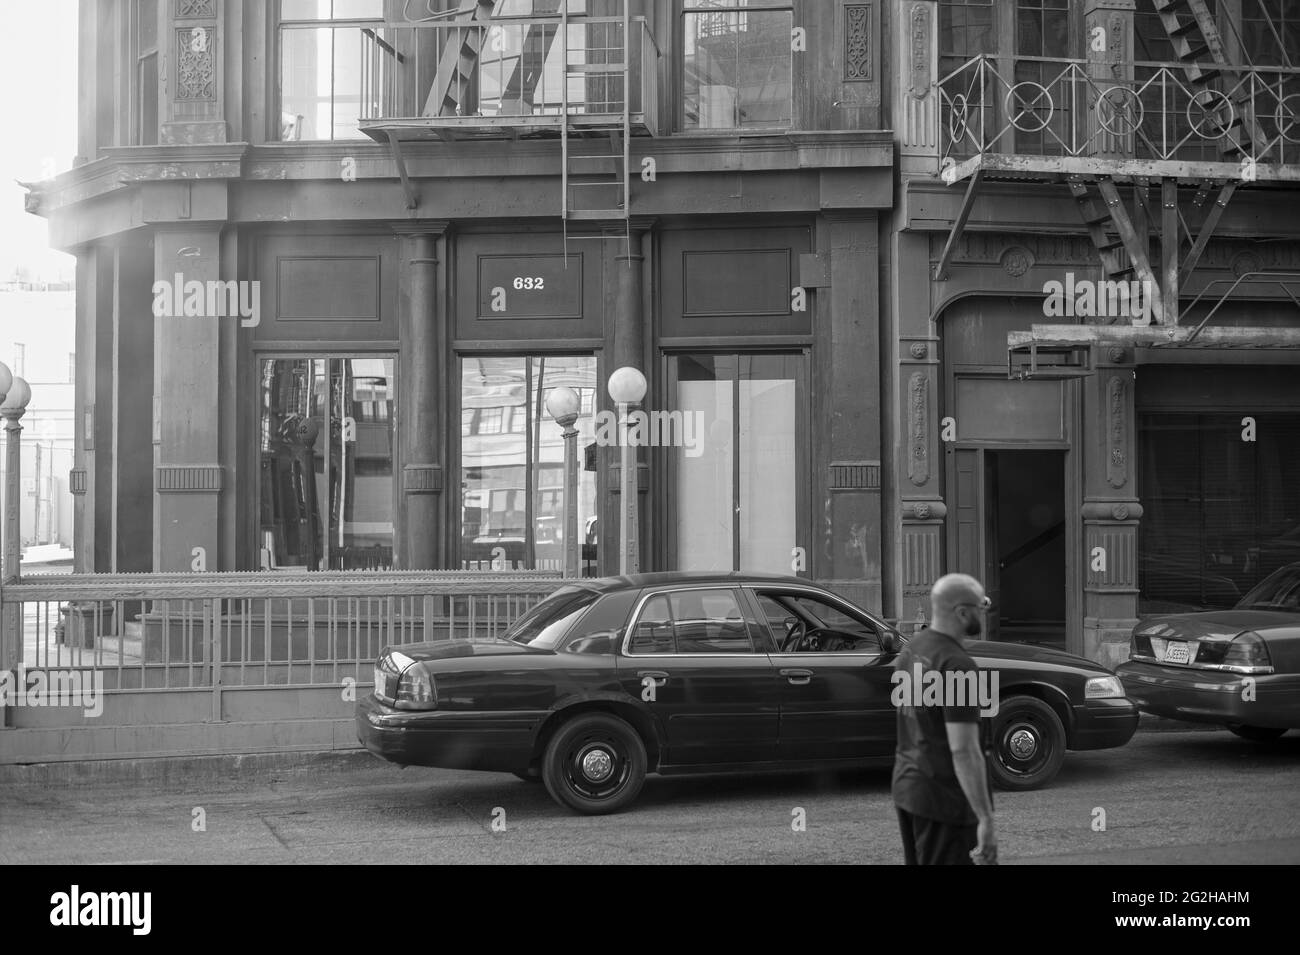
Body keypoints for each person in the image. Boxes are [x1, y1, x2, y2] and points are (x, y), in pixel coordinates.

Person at [892, 573, 997, 865]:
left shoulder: (912, 649)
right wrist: (985, 818)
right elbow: (963, 750)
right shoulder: (958, 665)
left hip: (909, 789)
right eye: (981, 604)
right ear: (962, 612)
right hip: (945, 803)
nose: (985, 610)